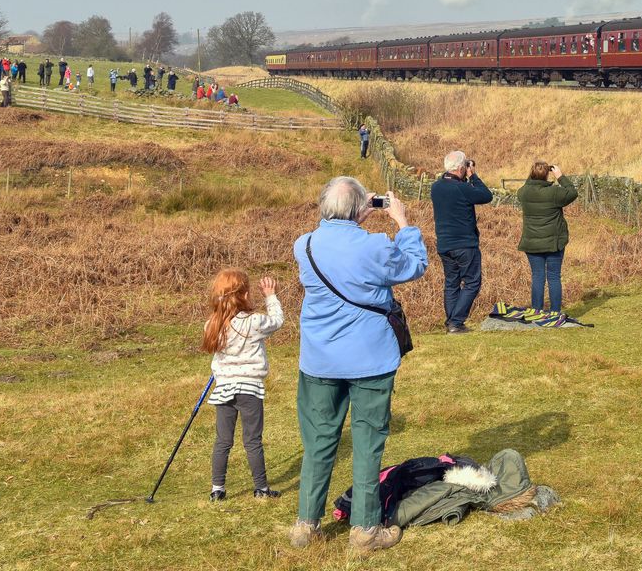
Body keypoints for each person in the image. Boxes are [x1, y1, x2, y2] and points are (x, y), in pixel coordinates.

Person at [290, 177, 428, 552]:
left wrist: (352, 219)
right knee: (368, 443)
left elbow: (338, 248)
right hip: (370, 358)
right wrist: (403, 222)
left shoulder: (305, 246)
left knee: (319, 441)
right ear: (360, 209)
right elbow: (416, 266)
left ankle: (305, 524)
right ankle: (366, 529)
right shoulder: (375, 246)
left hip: (319, 359)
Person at [202, 269, 285, 500]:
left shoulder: (212, 324)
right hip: (249, 389)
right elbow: (277, 321)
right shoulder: (254, 322)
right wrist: (270, 295)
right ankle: (261, 489)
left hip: (224, 389)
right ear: (245, 294)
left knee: (223, 441)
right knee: (252, 440)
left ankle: (217, 490)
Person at [431, 151, 493, 333]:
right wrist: (473, 176)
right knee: (472, 282)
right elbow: (486, 196)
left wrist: (465, 176)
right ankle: (456, 322)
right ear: (461, 168)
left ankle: (452, 322)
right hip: (464, 244)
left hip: (444, 244)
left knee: (451, 283)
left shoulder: (436, 187)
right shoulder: (462, 188)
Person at [517, 161, 577, 315]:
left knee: (537, 277)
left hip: (532, 243)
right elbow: (572, 192)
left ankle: (536, 311)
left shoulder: (523, 193)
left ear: (531, 174)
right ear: (547, 175)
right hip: (553, 243)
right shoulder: (554, 193)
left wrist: (534, 173)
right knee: (554, 277)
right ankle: (555, 312)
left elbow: (527, 185)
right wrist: (560, 176)